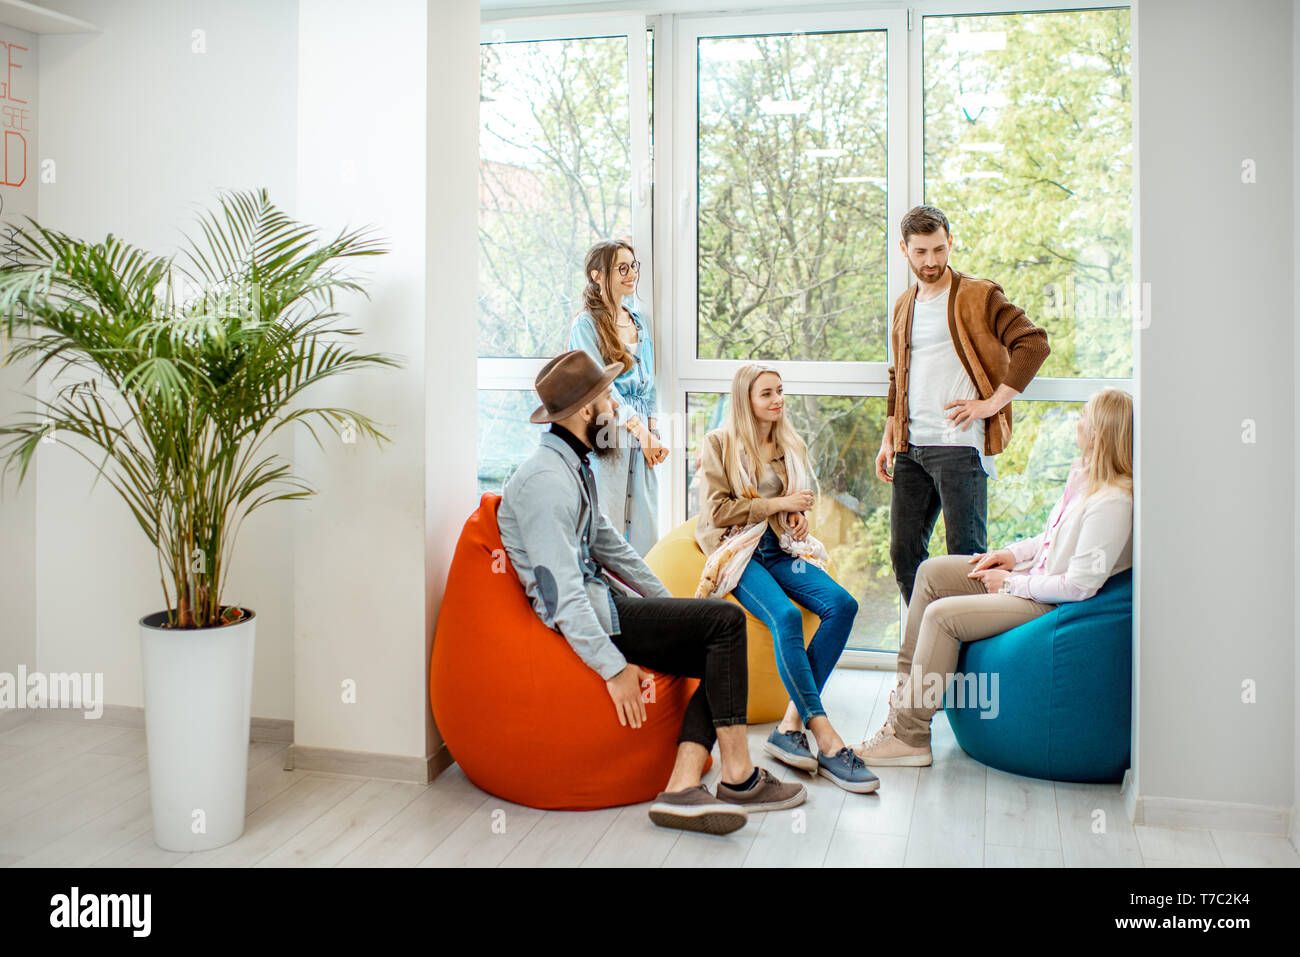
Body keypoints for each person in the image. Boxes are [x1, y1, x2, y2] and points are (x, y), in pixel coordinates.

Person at [497, 349, 806, 834]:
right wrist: (613, 668)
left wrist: (672, 606)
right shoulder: (546, 481)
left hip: (605, 605)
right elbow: (560, 596)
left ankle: (683, 786)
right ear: (585, 410)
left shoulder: (572, 466)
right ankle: (738, 777)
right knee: (725, 623)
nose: (614, 407)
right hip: (590, 618)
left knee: (717, 639)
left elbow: (613, 549)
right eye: (607, 398)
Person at [857, 388, 1134, 767]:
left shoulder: (1113, 502)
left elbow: (1079, 586)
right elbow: (1048, 538)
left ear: (1100, 432)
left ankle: (909, 736)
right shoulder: (1086, 480)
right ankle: (905, 699)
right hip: (1032, 578)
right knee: (931, 572)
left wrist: (1009, 583)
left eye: (1084, 416)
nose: (1078, 422)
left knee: (941, 616)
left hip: (1047, 603)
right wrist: (1010, 556)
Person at [695, 363, 879, 794]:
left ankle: (790, 724)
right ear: (746, 400)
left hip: (778, 548)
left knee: (843, 605)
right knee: (786, 616)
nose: (778, 399)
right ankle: (827, 739)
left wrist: (794, 518)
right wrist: (780, 504)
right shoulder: (719, 443)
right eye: (767, 393)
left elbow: (784, 508)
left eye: (780, 390)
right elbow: (717, 512)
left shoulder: (786, 445)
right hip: (740, 552)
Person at [876, 205, 1051, 610]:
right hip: (910, 448)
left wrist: (992, 404)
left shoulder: (979, 295)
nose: (931, 261)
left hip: (958, 447)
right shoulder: (904, 305)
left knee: (967, 561)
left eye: (939, 249)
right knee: (904, 556)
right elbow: (898, 375)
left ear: (950, 242)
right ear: (904, 249)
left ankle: (967, 645)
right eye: (921, 252)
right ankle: (930, 637)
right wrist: (889, 436)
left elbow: (1033, 343)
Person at [568, 240, 666, 557]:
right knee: (606, 521)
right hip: (608, 428)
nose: (631, 274)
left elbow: (649, 387)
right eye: (622, 268)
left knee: (645, 526)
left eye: (633, 266)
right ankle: (602, 588)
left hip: (642, 434)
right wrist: (640, 431)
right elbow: (601, 388)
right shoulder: (586, 325)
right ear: (597, 275)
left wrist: (653, 433)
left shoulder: (639, 322)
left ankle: (640, 591)